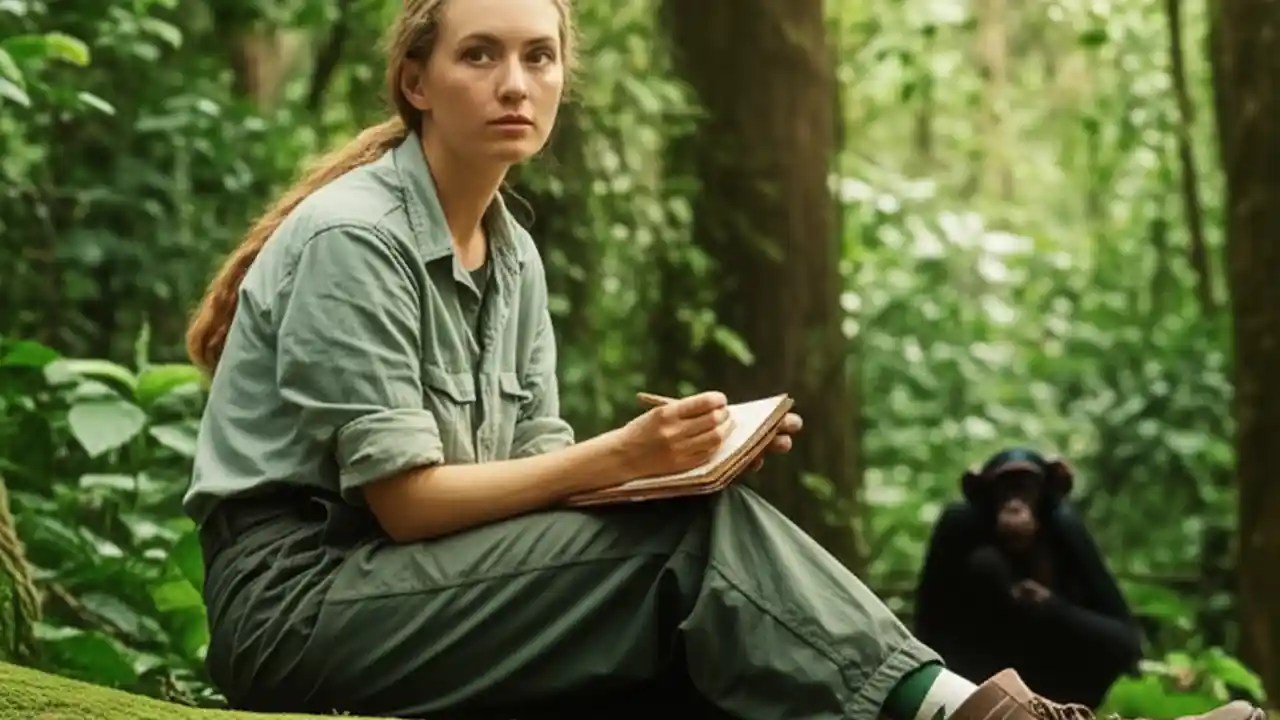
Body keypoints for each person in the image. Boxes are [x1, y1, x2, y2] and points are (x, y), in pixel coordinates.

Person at [180, 1, 1267, 719]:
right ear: (415, 82)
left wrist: (679, 464)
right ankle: (972, 714)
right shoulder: (353, 236)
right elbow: (410, 507)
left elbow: (531, 516)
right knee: (684, 557)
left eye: (538, 56)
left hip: (414, 595)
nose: (515, 82)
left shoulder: (511, 257)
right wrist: (617, 463)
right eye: (479, 54)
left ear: (561, 79)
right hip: (300, 606)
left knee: (703, 638)